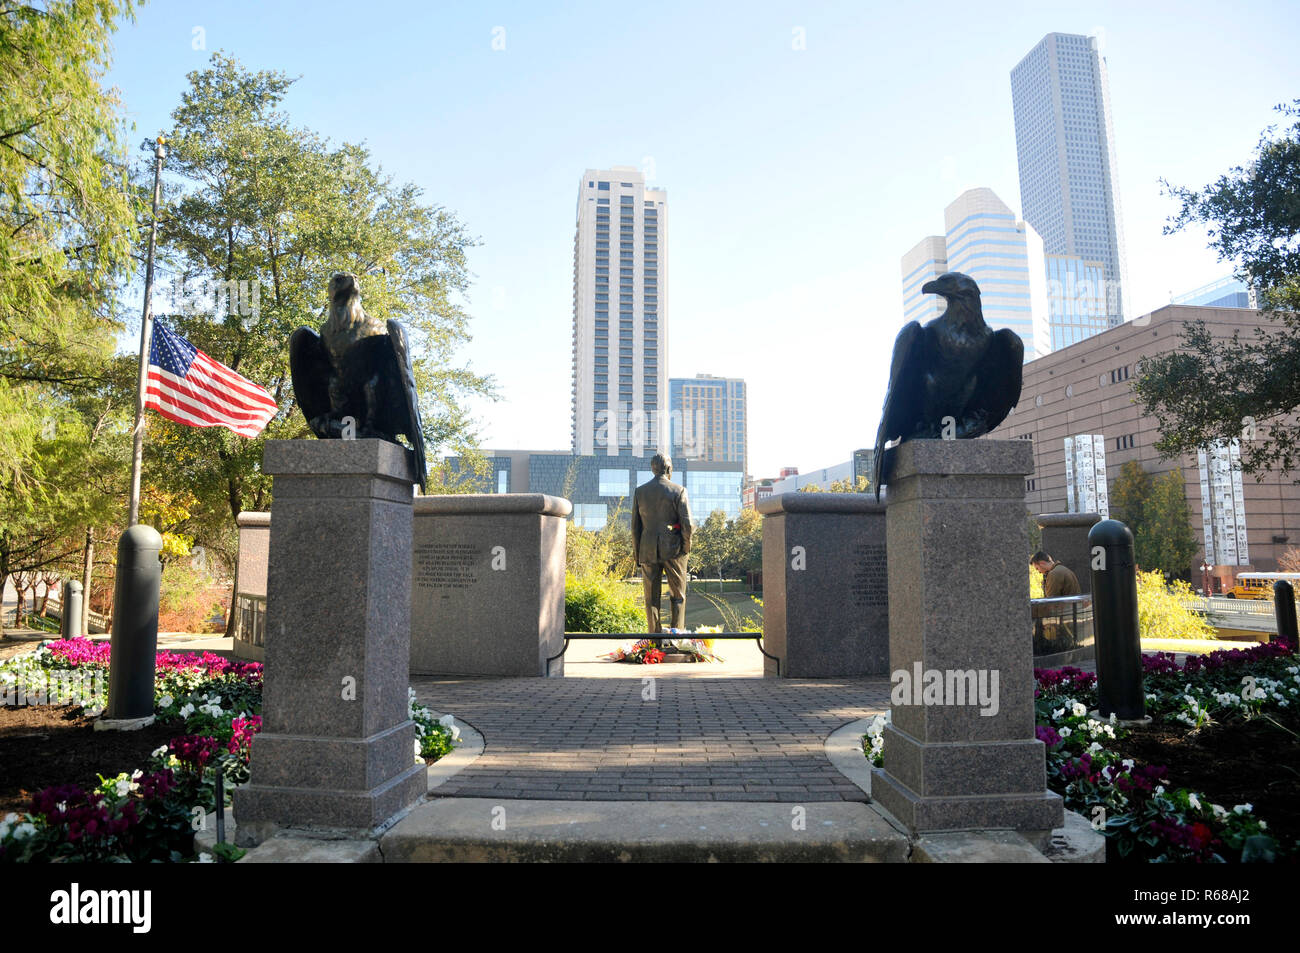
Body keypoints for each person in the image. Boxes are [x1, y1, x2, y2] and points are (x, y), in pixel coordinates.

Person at [631, 453, 693, 636]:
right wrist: (686, 548)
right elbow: (688, 524)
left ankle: (654, 638)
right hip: (674, 550)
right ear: (668, 469)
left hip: (647, 550)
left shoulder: (640, 492)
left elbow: (635, 528)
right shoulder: (679, 491)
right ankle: (676, 638)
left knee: (651, 598)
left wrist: (637, 555)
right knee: (678, 596)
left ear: (653, 469)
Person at [1031, 551, 1081, 648]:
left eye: (1037, 568)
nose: (1038, 571)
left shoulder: (1054, 574)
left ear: (1042, 563)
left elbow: (1051, 602)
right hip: (1071, 613)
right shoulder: (1063, 569)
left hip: (1064, 616)